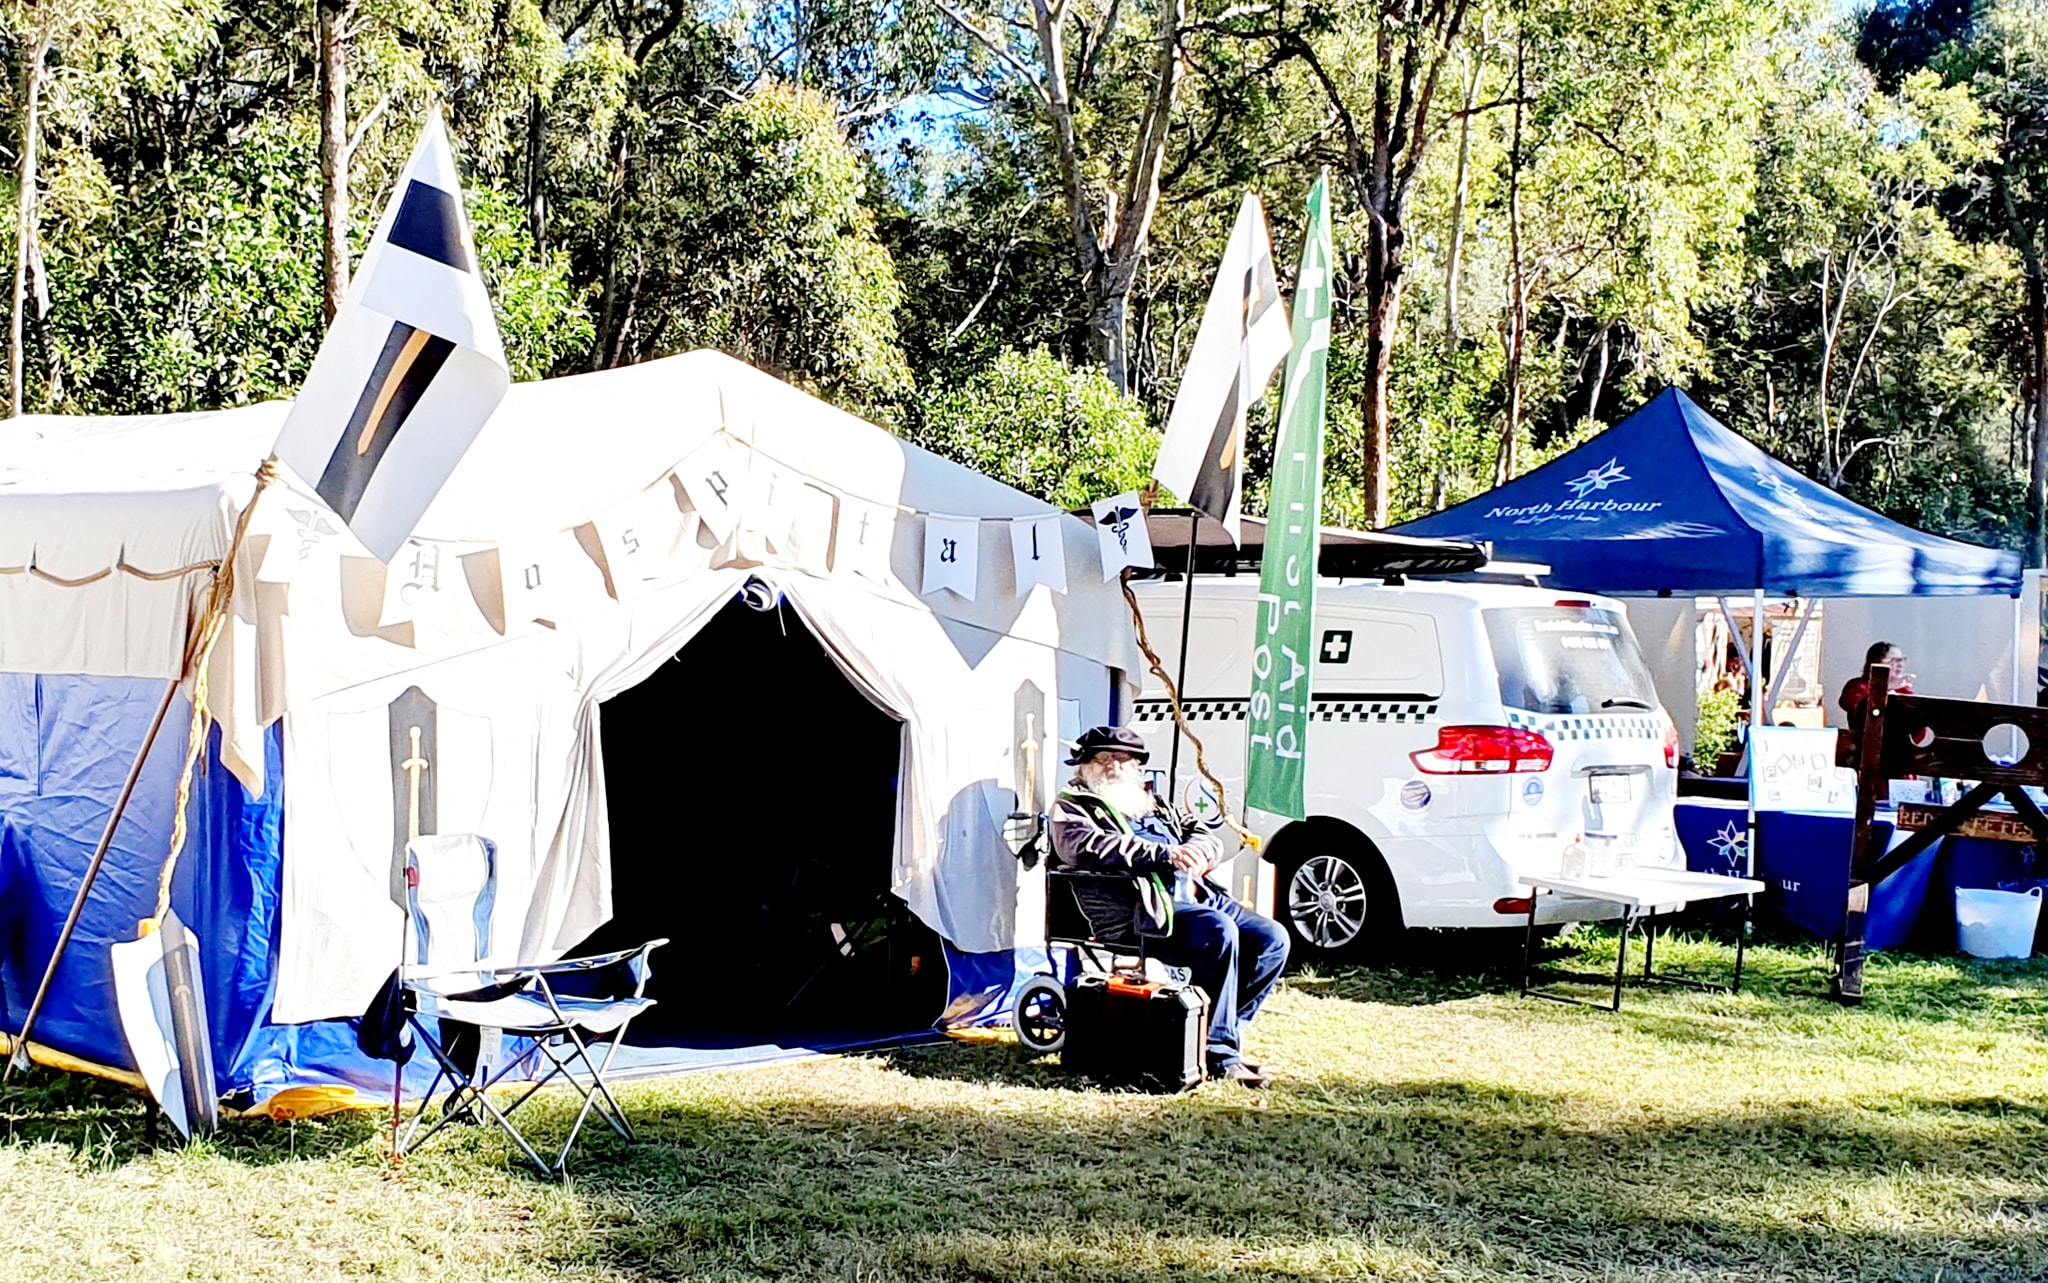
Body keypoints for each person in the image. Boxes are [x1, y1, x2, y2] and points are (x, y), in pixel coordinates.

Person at [1047, 725, 1290, 1088]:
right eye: (1102, 758)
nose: (1113, 766)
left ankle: (1207, 1039)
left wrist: (1203, 852)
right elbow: (1082, 848)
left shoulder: (1152, 803)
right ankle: (1220, 1055)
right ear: (1084, 766)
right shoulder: (1072, 807)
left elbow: (1203, 833)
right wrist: (1165, 854)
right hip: (1141, 909)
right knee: (1217, 929)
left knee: (1272, 938)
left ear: (1136, 766)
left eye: (1122, 758)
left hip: (1196, 895)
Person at [1838, 640, 1912, 765]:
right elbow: (1858, 708)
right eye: (1894, 660)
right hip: (1867, 758)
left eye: (1902, 660)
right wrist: (1888, 692)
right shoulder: (1858, 686)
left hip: (1901, 761)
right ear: (1876, 662)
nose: (1900, 665)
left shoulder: (1904, 691)